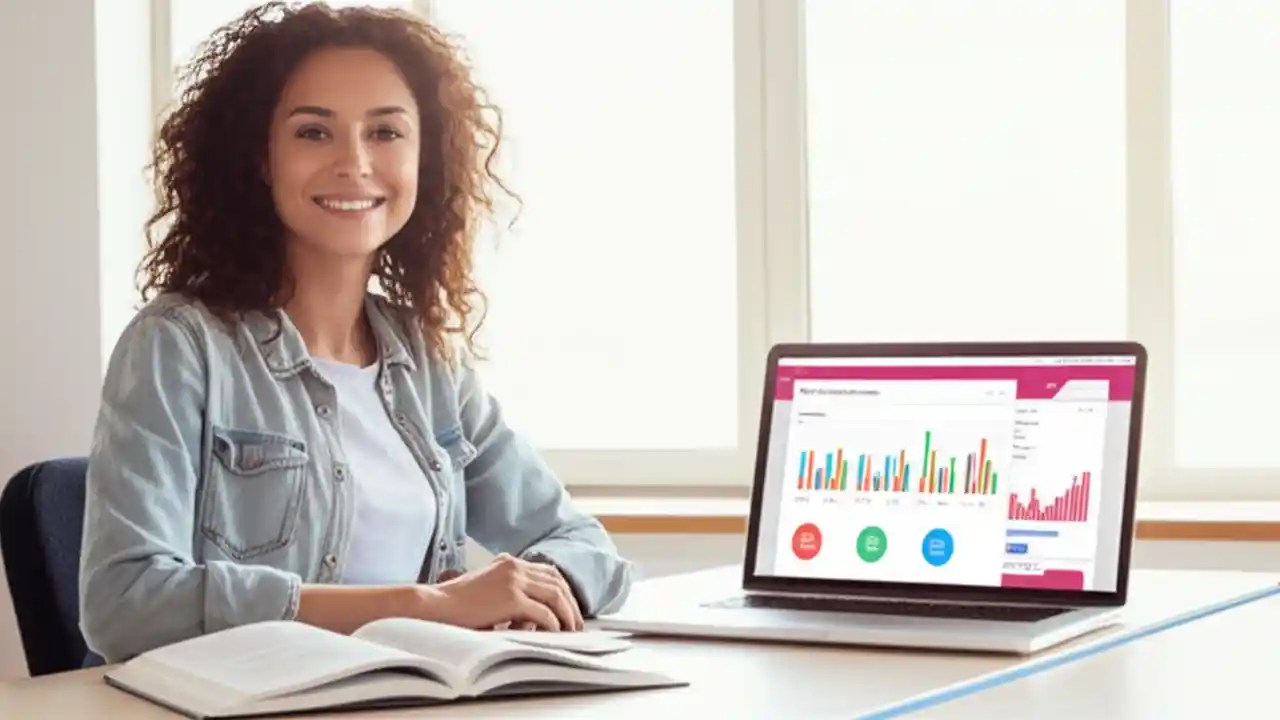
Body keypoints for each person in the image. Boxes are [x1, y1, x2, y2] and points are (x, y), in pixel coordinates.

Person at [78, 1, 632, 664]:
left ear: (424, 158)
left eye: (386, 133)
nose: (355, 163)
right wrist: (424, 607)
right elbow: (125, 604)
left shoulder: (425, 361)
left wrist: (534, 597)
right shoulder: (178, 346)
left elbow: (585, 545)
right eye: (314, 133)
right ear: (260, 157)